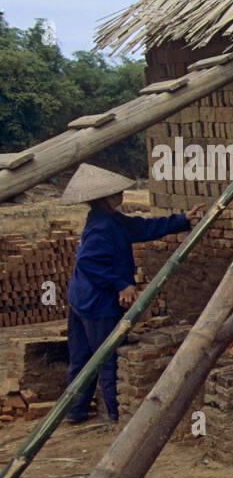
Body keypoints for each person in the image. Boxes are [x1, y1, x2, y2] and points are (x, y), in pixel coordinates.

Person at [60, 165, 203, 425]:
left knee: (81, 358)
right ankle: (115, 413)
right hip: (96, 303)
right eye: (117, 193)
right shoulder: (102, 227)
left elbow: (143, 228)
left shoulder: (110, 220)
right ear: (105, 197)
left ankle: (75, 410)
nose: (122, 195)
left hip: (81, 298)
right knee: (105, 357)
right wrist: (121, 284)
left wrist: (182, 219)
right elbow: (89, 263)